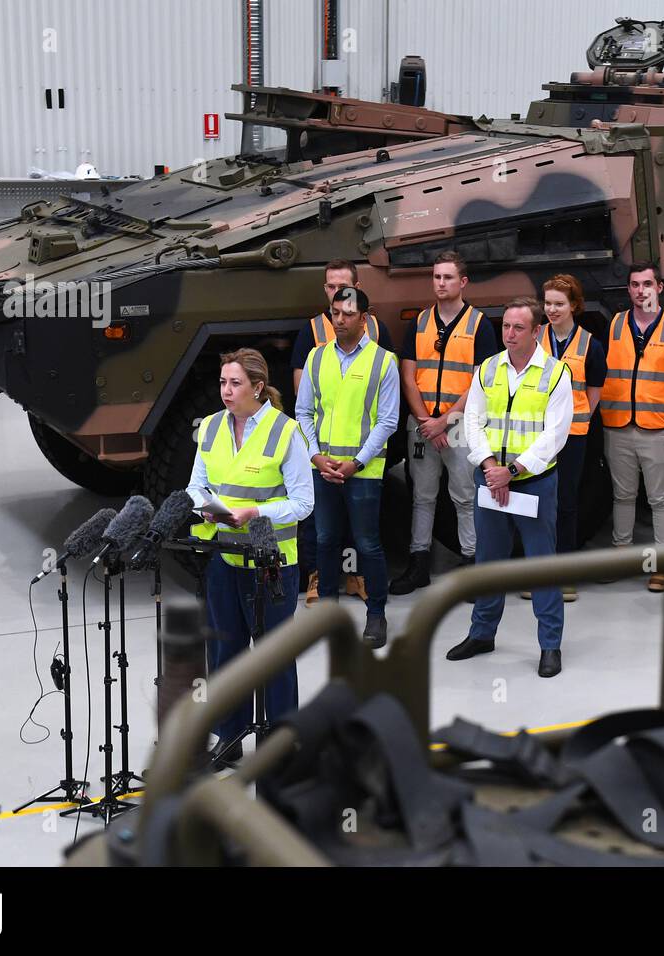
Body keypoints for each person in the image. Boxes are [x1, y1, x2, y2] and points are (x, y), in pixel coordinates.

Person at [188, 348, 314, 766]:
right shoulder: (209, 427)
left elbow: (302, 503)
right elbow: (196, 485)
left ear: (258, 387)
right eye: (223, 382)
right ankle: (229, 736)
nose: (226, 391)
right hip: (225, 558)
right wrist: (203, 506)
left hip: (272, 562)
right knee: (226, 652)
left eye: (235, 383)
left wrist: (255, 512)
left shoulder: (286, 432)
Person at [450, 297, 572, 677]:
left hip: (532, 484)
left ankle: (550, 645)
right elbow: (472, 423)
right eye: (505, 326)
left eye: (518, 328)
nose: (509, 334)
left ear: (537, 331)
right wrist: (490, 467)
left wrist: (513, 471)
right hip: (490, 480)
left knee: (540, 566)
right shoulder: (487, 369)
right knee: (489, 563)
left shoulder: (555, 373)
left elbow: (556, 434)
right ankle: (482, 634)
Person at [295, 286, 399, 647]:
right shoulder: (316, 357)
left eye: (347, 314)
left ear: (364, 318)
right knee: (324, 540)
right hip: (322, 469)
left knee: (368, 543)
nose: (339, 320)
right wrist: (314, 456)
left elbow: (387, 421)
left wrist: (356, 462)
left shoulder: (383, 361)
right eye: (335, 313)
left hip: (362, 472)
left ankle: (376, 615)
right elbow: (303, 412)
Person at [390, 251, 497, 595]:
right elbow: (409, 376)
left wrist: (445, 422)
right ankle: (419, 563)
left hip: (460, 426)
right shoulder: (420, 322)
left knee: (465, 496)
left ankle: (472, 566)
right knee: (422, 496)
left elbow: (479, 382)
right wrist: (426, 420)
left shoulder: (479, 325)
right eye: (437, 277)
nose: (441, 283)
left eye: (448, 277)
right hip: (423, 426)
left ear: (463, 282)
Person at [601, 261, 664, 591]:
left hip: (658, 429)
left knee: (660, 498)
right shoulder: (614, 325)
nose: (641, 291)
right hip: (618, 427)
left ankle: (660, 565)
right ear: (628, 289)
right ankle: (621, 558)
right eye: (635, 285)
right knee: (622, 496)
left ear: (659, 288)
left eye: (647, 284)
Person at [521, 274, 606, 602]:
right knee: (537, 502)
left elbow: (594, 393)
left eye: (559, 304)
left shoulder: (590, 345)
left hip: (572, 435)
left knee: (566, 502)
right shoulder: (534, 337)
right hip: (535, 434)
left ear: (574, 305)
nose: (552, 309)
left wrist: (571, 416)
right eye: (548, 303)